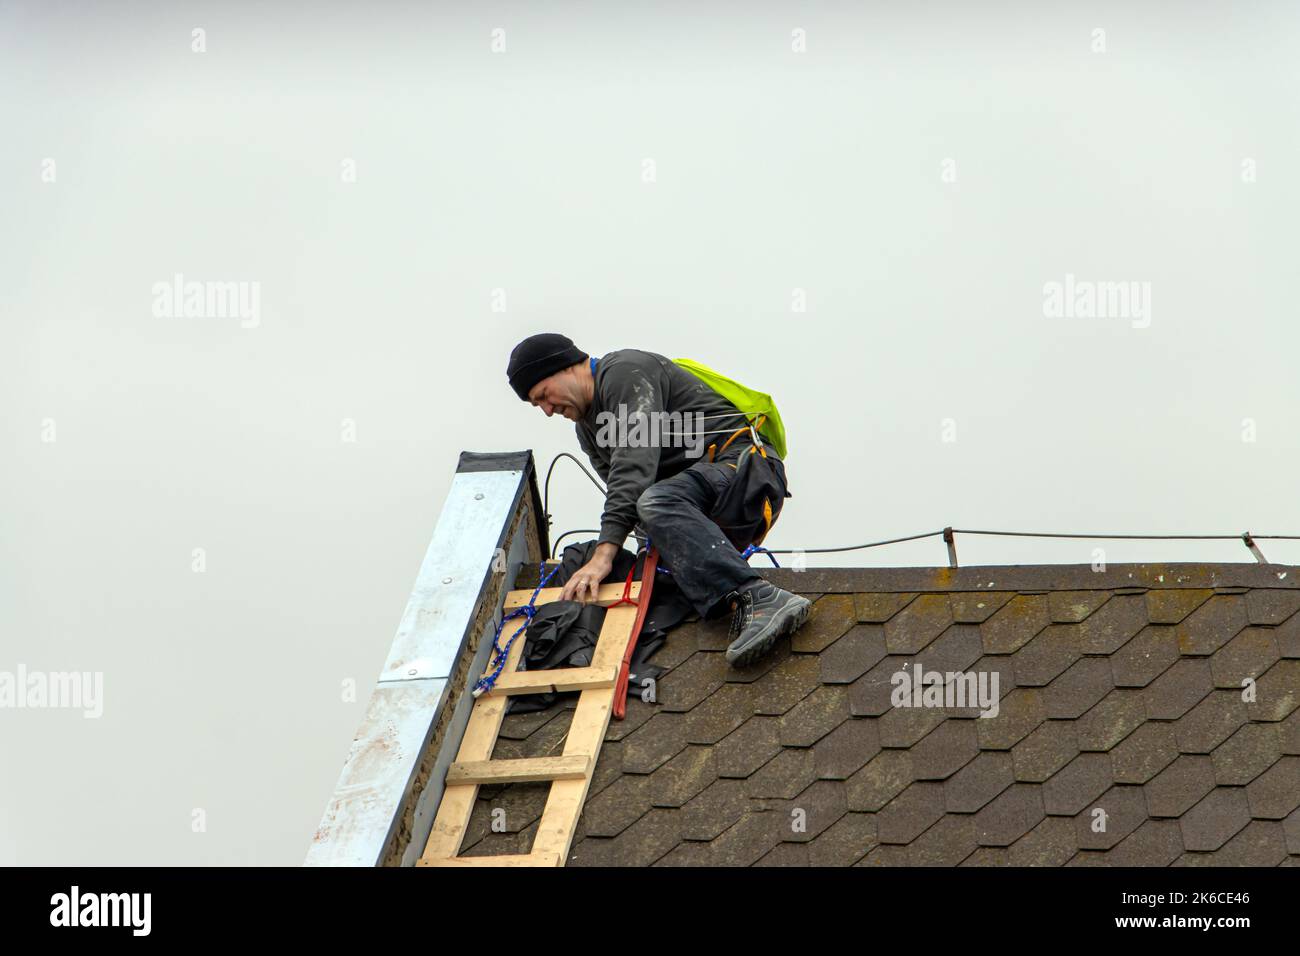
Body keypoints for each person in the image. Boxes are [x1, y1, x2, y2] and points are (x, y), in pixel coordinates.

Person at [507, 332, 812, 667]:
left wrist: (604, 554)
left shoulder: (624, 372)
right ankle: (739, 604)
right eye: (539, 407)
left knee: (654, 501)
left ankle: (761, 597)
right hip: (697, 500)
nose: (548, 411)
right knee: (656, 568)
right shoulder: (588, 429)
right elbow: (625, 493)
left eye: (544, 396)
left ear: (564, 367)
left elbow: (633, 466)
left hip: (743, 470)